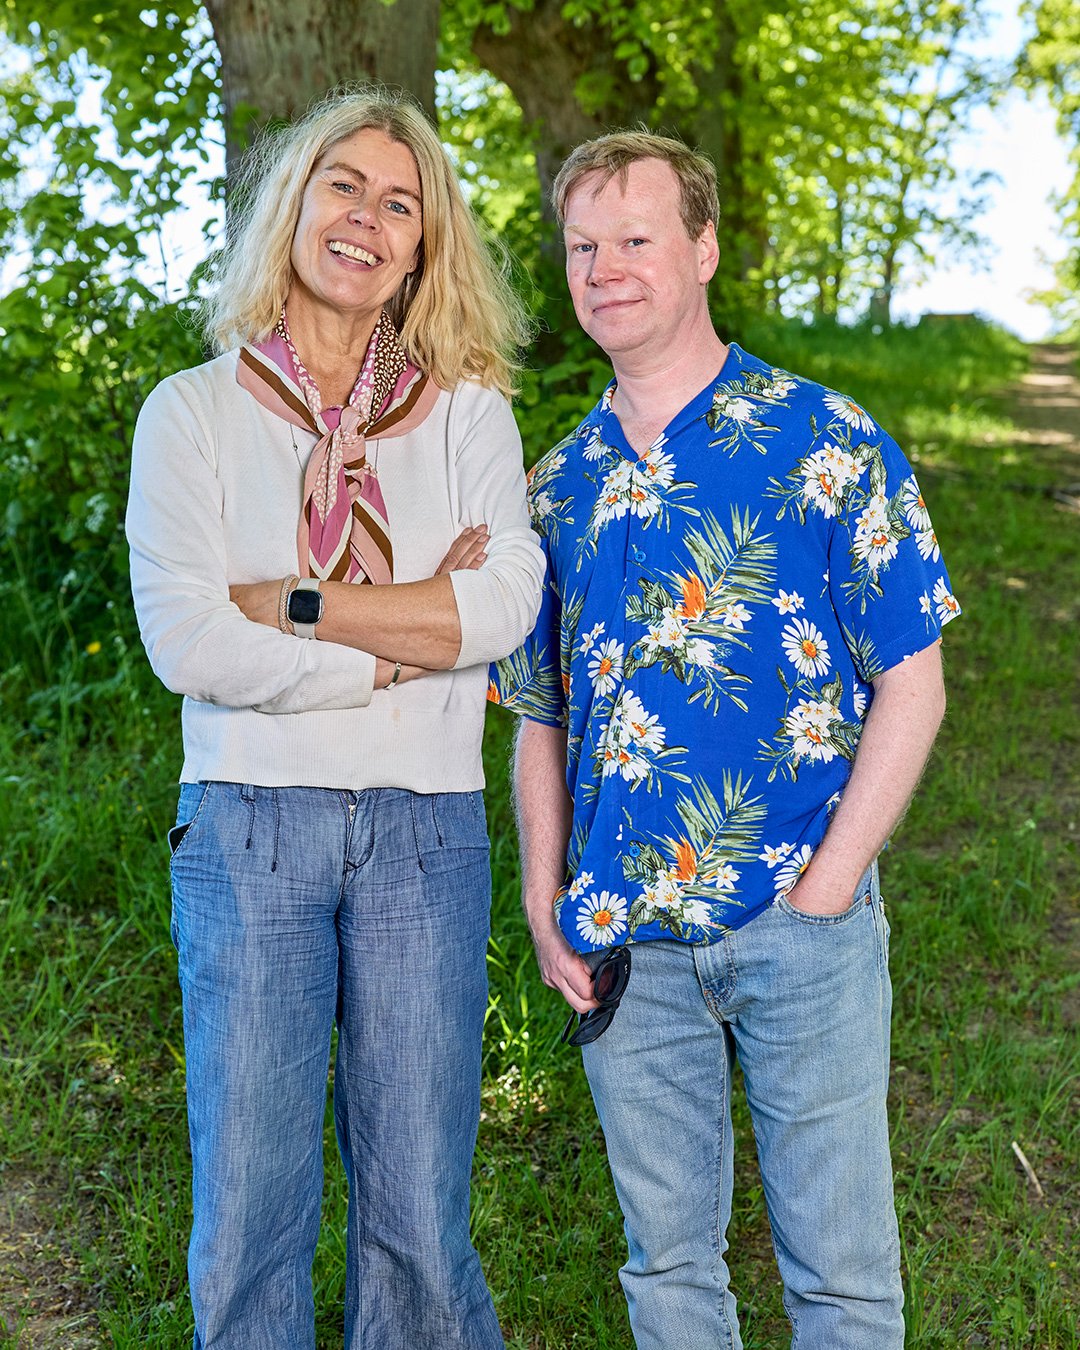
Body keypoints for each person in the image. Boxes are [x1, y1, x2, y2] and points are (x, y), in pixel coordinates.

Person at [489, 129, 960, 1349]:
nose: (604, 268)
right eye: (584, 245)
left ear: (701, 248)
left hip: (797, 919)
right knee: (669, 1275)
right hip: (623, 947)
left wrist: (832, 883)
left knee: (844, 1279)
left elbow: (914, 681)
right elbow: (538, 715)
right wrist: (544, 902)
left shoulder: (825, 440)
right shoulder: (553, 491)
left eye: (635, 239)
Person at [127, 87, 544, 1349]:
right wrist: (394, 650)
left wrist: (298, 605)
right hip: (248, 827)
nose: (367, 217)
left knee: (418, 1210)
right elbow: (192, 642)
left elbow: (504, 607)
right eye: (343, 186)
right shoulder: (189, 414)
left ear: (425, 246)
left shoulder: (468, 410)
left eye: (400, 203)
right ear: (292, 207)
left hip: (427, 831)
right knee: (251, 1208)